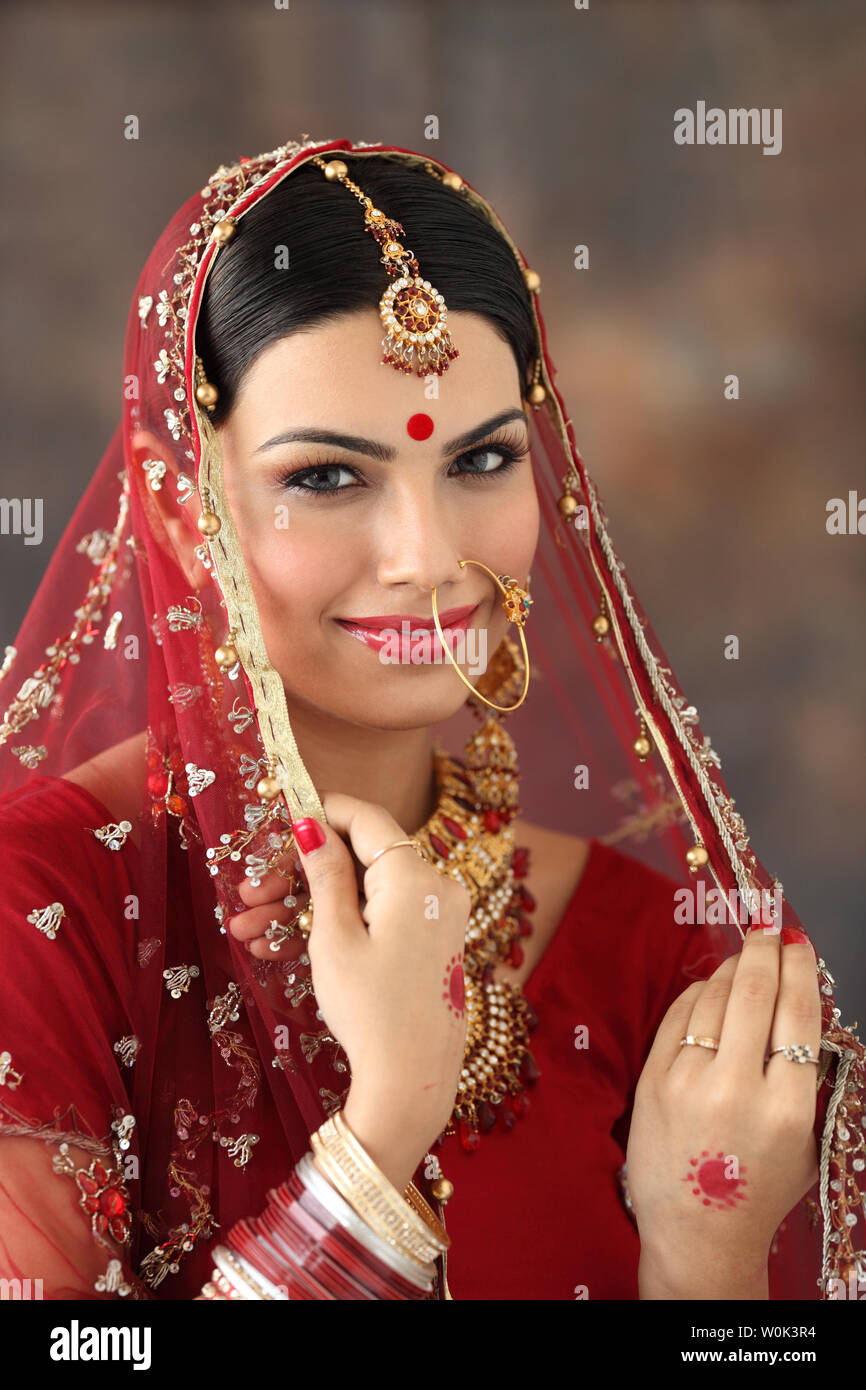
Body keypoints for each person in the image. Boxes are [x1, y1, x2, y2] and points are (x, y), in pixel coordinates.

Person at [0, 135, 862, 1302]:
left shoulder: (652, 952)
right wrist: (386, 1119)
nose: (430, 560)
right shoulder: (40, 911)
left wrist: (703, 1260)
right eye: (326, 476)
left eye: (483, 459)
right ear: (174, 503)